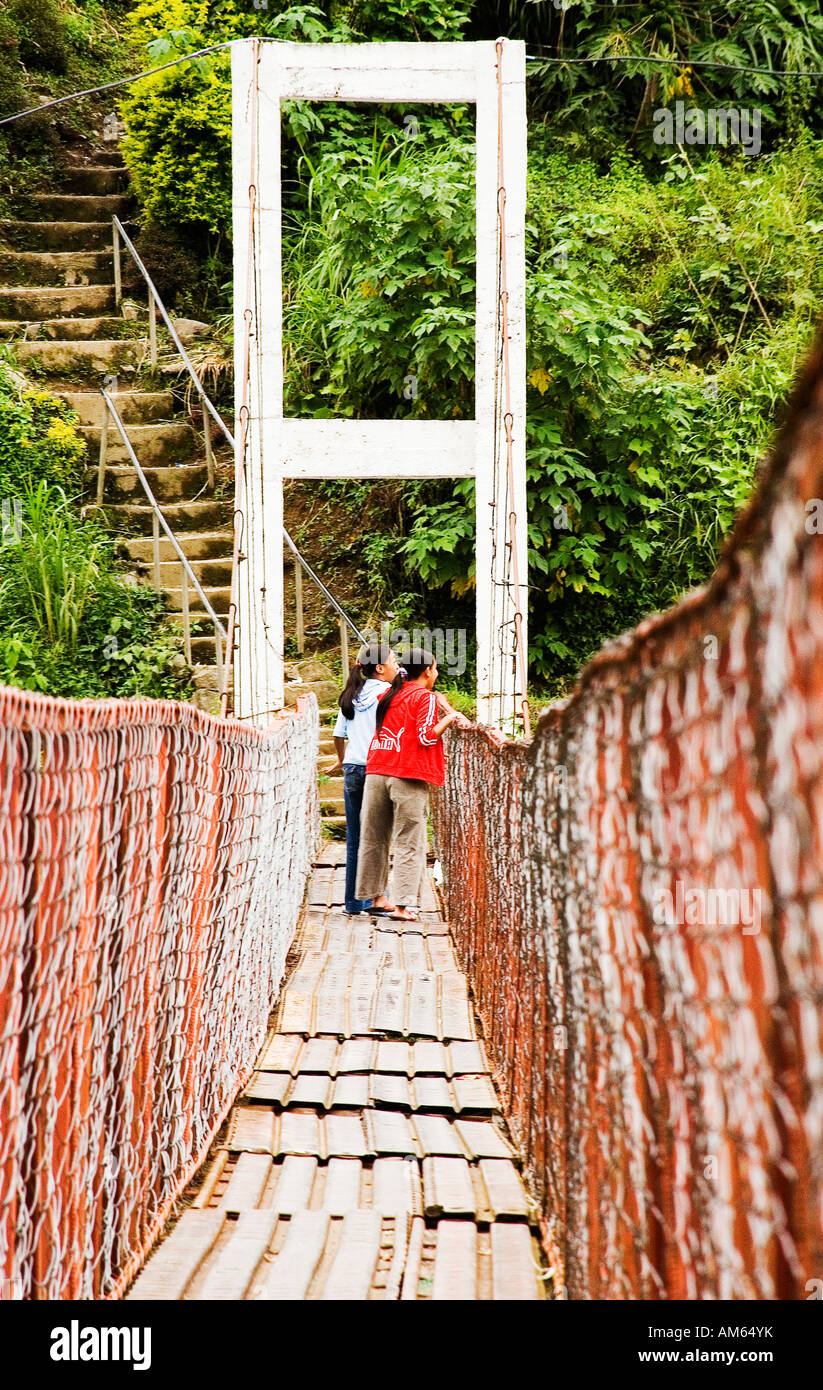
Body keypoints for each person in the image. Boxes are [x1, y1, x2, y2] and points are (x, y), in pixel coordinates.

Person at [355, 647, 470, 922]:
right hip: (408, 774)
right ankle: (403, 906)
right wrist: (450, 717)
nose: (437, 673)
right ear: (428, 671)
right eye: (436, 668)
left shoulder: (388, 694)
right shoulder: (425, 697)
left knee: (374, 837)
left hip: (377, 770)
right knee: (409, 840)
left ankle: (376, 898)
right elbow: (426, 737)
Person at [329, 642, 399, 915]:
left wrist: (340, 759)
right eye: (393, 661)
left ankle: (353, 903)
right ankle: (376, 901)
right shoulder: (388, 694)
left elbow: (338, 734)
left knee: (356, 837)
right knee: (378, 837)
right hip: (376, 769)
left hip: (352, 769)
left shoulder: (352, 694)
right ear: (380, 668)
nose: (397, 666)